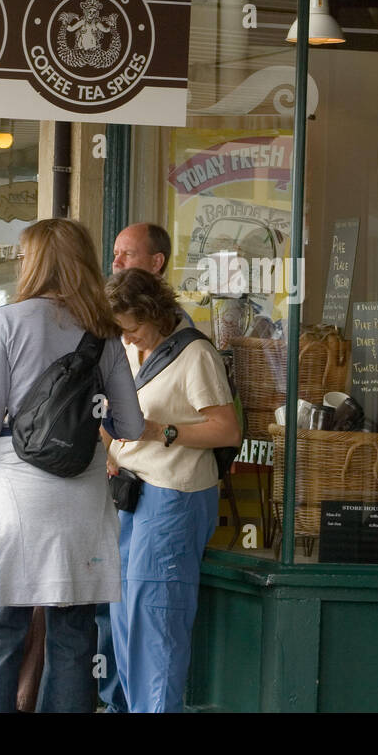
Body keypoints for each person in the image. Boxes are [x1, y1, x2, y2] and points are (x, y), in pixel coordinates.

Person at [0, 218, 144, 713]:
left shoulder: (8, 320)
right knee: (74, 631)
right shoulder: (105, 332)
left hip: (16, 491)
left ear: (37, 262)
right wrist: (84, 417)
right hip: (82, 491)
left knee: (2, 627)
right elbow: (131, 426)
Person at [104, 268, 242, 712]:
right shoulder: (129, 350)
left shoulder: (196, 354)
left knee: (157, 621)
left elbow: (226, 430)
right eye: (121, 331)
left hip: (172, 498)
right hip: (129, 492)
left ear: (157, 314)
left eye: (134, 329)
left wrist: (158, 430)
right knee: (125, 618)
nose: (129, 339)